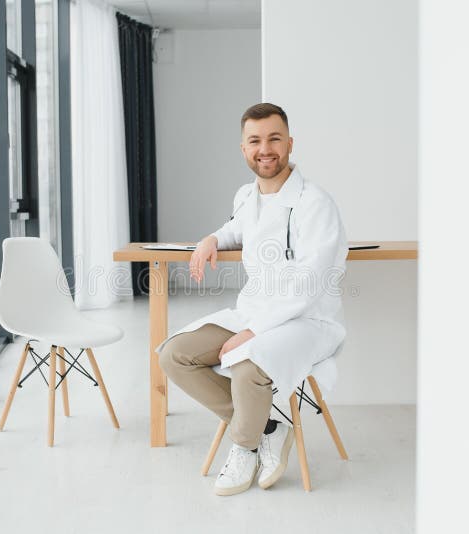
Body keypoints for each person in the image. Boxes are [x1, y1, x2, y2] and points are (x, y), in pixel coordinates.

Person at [157, 103, 348, 496]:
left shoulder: (316, 203)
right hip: (255, 312)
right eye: (255, 141)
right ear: (243, 149)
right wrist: (212, 239)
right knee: (173, 355)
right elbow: (236, 227)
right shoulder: (247, 195)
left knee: (248, 363)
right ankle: (268, 428)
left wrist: (252, 332)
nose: (266, 149)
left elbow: (309, 287)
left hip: (309, 321)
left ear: (290, 143)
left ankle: (243, 447)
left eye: (275, 139)